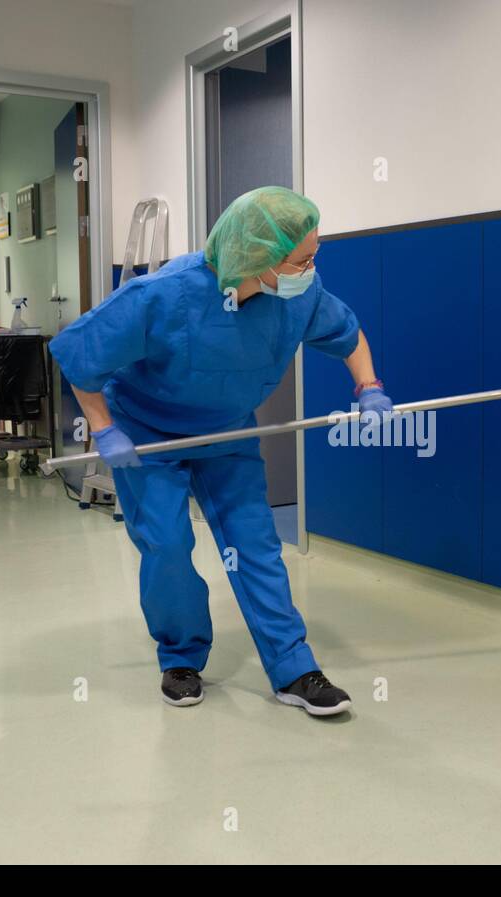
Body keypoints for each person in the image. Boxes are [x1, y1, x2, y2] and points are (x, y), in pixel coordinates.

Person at [49, 186, 391, 717]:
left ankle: (293, 667)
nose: (311, 267)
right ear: (258, 257)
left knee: (255, 543)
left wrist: (369, 388)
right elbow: (79, 353)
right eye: (302, 258)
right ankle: (181, 658)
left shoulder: (297, 294)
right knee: (166, 545)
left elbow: (348, 335)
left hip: (227, 432)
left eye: (314, 256)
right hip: (149, 433)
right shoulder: (163, 295)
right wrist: (104, 428)